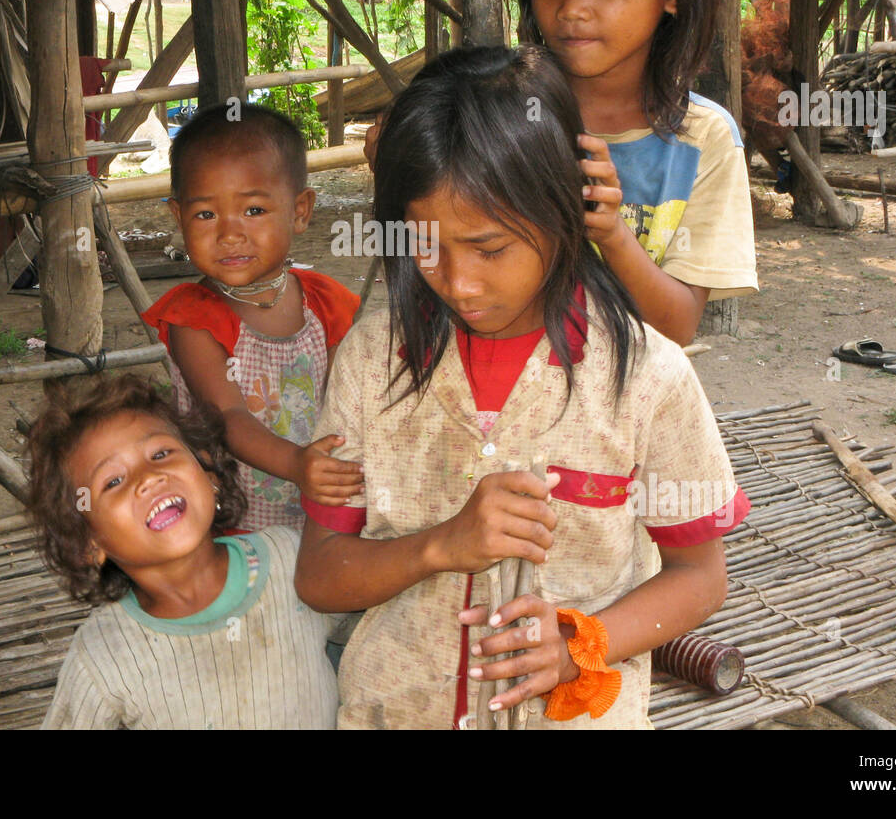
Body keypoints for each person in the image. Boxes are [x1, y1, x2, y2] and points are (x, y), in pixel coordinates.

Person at [295, 45, 749, 730]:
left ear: (565, 209)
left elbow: (698, 577)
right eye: (425, 245)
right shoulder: (369, 362)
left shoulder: (647, 378)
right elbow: (321, 575)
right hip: (395, 709)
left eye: (490, 247)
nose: (458, 281)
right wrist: (438, 545)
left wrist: (580, 646)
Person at [506, 0, 758, 345]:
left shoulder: (703, 141)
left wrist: (611, 232)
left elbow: (677, 326)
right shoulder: (503, 113)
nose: (573, 8)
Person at [30, 373, 338, 729]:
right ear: (88, 542)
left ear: (210, 475)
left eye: (160, 454)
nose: (149, 478)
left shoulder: (290, 559)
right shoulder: (105, 656)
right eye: (113, 481)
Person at [141, 102, 362, 532]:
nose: (229, 234)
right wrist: (298, 463)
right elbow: (228, 416)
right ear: (178, 216)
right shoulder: (196, 319)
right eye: (206, 214)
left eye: (254, 211)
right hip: (235, 525)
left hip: (320, 515)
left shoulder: (325, 303)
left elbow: (347, 400)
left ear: (300, 211)